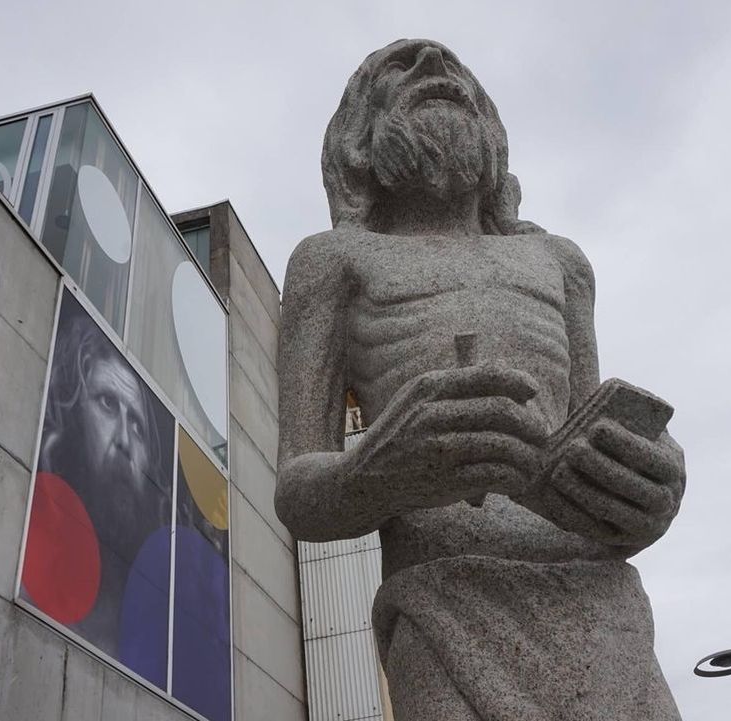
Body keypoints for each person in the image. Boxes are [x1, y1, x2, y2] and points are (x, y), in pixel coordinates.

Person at [276, 39, 687, 720]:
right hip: (441, 595)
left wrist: (647, 487)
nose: (434, 69)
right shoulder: (334, 261)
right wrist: (380, 471)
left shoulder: (559, 261)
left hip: (598, 595)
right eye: (401, 70)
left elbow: (586, 431)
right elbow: (298, 490)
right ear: (358, 140)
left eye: (454, 71)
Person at [38, 298, 173, 661]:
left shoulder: (155, 629)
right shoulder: (33, 573)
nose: (125, 441)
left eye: (137, 426)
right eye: (108, 405)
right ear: (71, 416)